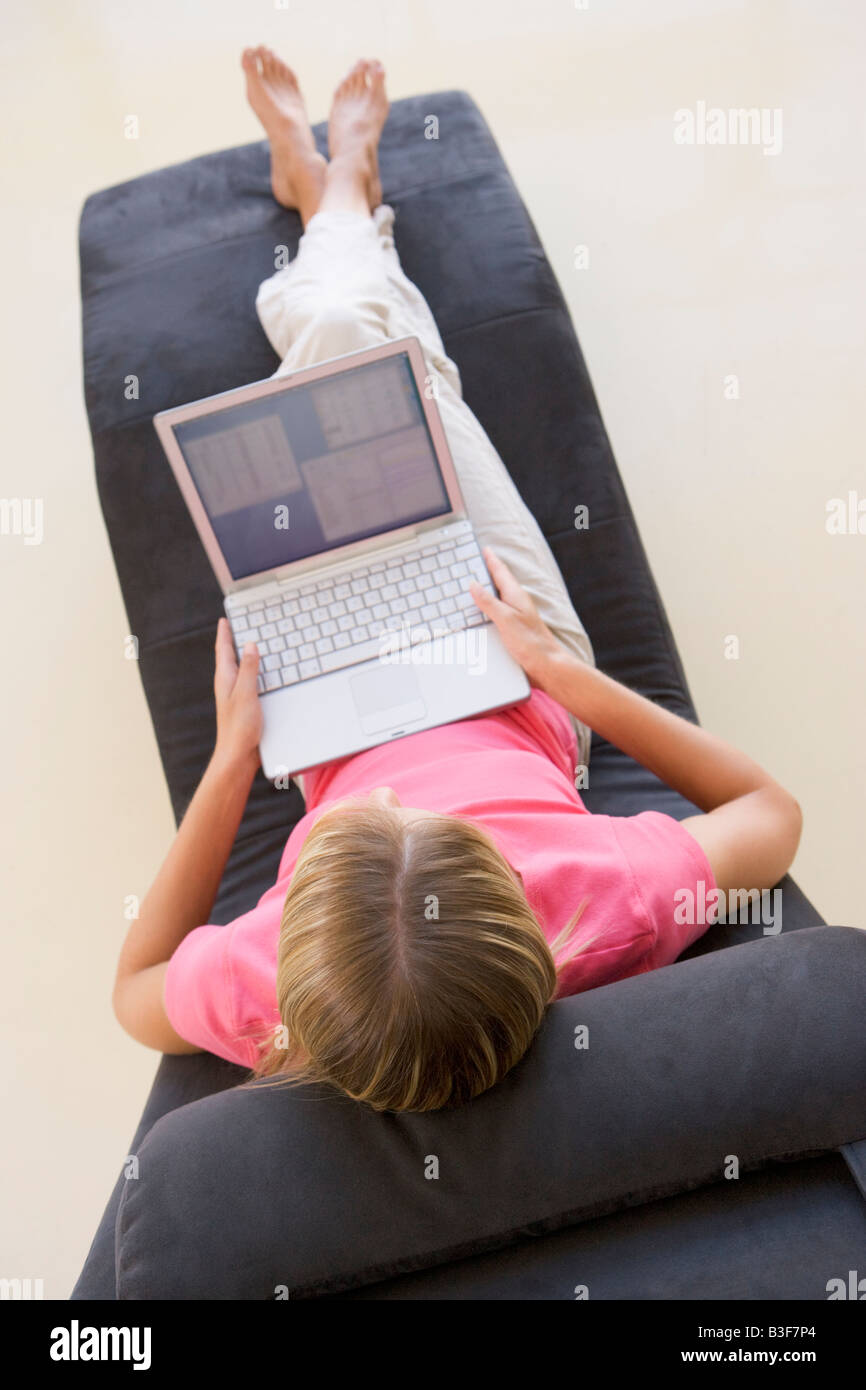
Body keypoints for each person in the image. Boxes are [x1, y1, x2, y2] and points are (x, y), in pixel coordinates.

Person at [112, 50, 802, 1113]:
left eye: (360, 819)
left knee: (353, 353)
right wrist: (563, 682)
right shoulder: (603, 901)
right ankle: (340, 198)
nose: (400, 782)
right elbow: (767, 808)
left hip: (331, 705)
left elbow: (135, 989)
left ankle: (336, 203)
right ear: (515, 894)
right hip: (519, 671)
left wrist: (233, 757)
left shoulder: (291, 990)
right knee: (391, 377)